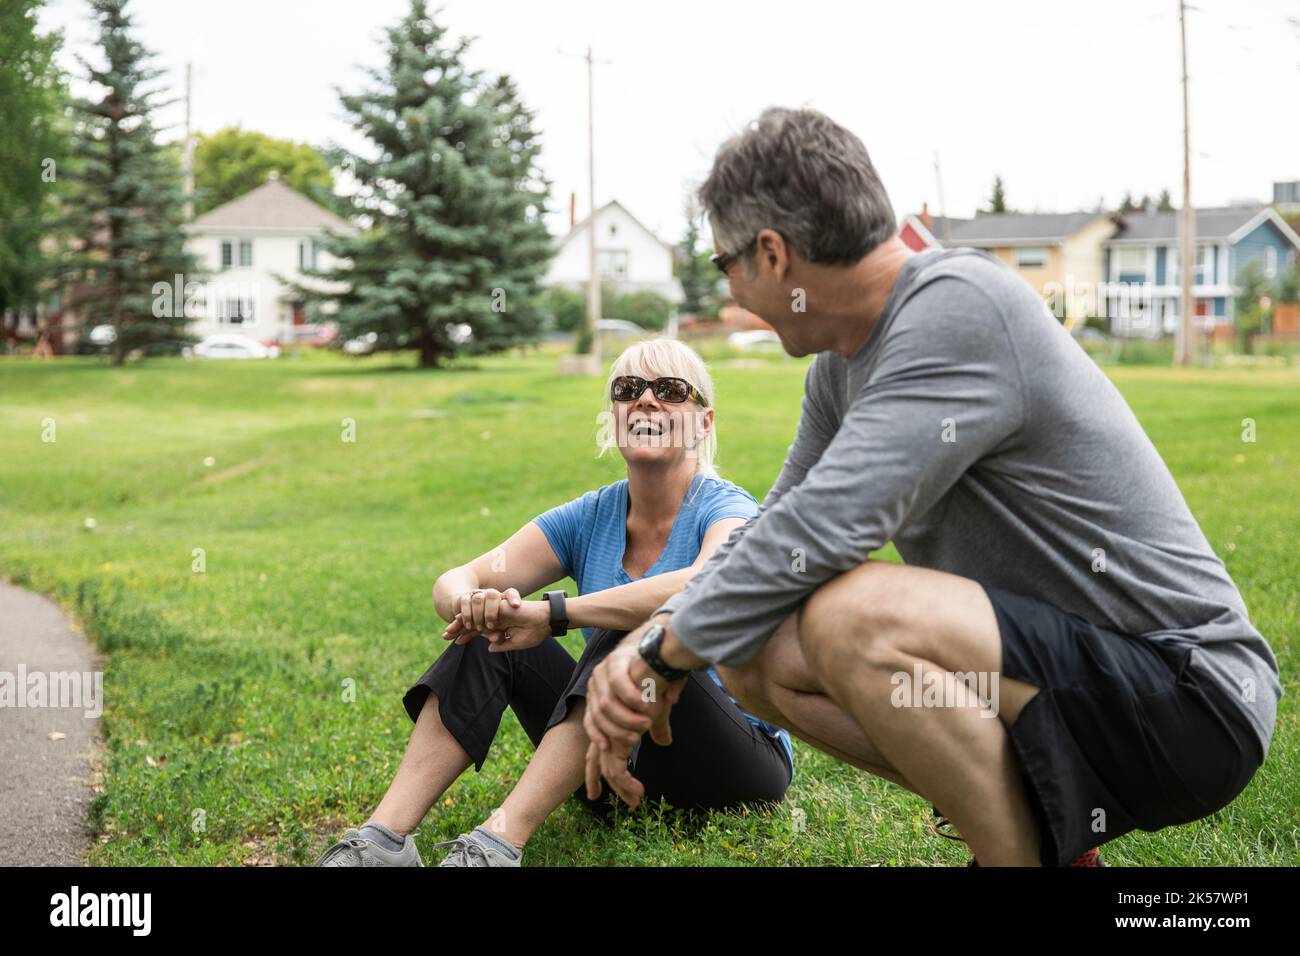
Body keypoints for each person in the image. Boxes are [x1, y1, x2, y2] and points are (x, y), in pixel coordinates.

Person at [582, 107, 1280, 867]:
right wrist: (671, 633)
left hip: (1187, 696)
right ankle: (1049, 844)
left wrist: (657, 656)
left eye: (727, 265)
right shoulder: (839, 368)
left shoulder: (958, 305)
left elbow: (823, 532)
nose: (733, 289)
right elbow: (772, 528)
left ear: (774, 254)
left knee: (850, 614)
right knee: (751, 649)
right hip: (1061, 688)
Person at [315, 337, 793, 867]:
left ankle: (496, 846)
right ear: (613, 416)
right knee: (494, 633)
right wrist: (474, 604)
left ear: (704, 423)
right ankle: (381, 843)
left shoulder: (726, 507)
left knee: (635, 627)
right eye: (629, 389)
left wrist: (553, 614)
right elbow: (462, 576)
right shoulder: (591, 516)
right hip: (614, 766)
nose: (646, 401)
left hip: (732, 768)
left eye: (671, 390)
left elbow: (710, 585)